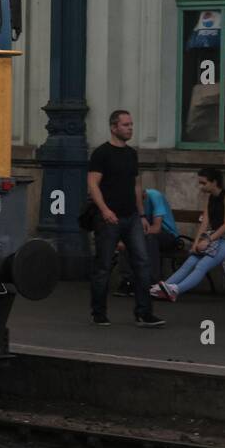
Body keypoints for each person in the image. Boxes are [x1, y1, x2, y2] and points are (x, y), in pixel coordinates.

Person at [87, 110, 165, 327]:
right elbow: (93, 184)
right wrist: (104, 210)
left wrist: (141, 215)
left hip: (131, 217)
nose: (130, 128)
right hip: (109, 218)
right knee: (103, 266)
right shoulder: (101, 153)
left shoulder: (131, 154)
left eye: (131, 124)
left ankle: (144, 312)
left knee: (142, 263)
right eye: (125, 125)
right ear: (113, 127)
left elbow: (136, 186)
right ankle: (98, 312)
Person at [153, 168, 225, 302]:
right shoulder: (210, 198)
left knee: (203, 265)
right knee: (190, 261)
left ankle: (175, 290)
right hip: (213, 238)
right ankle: (164, 287)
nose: (201, 186)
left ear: (214, 182)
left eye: (203, 183)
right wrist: (196, 244)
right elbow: (204, 223)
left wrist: (208, 240)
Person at [114, 187, 180, 295]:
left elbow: (157, 228)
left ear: (143, 196)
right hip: (145, 234)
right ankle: (128, 281)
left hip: (168, 235)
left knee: (149, 238)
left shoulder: (155, 195)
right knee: (128, 240)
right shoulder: (129, 200)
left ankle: (152, 282)